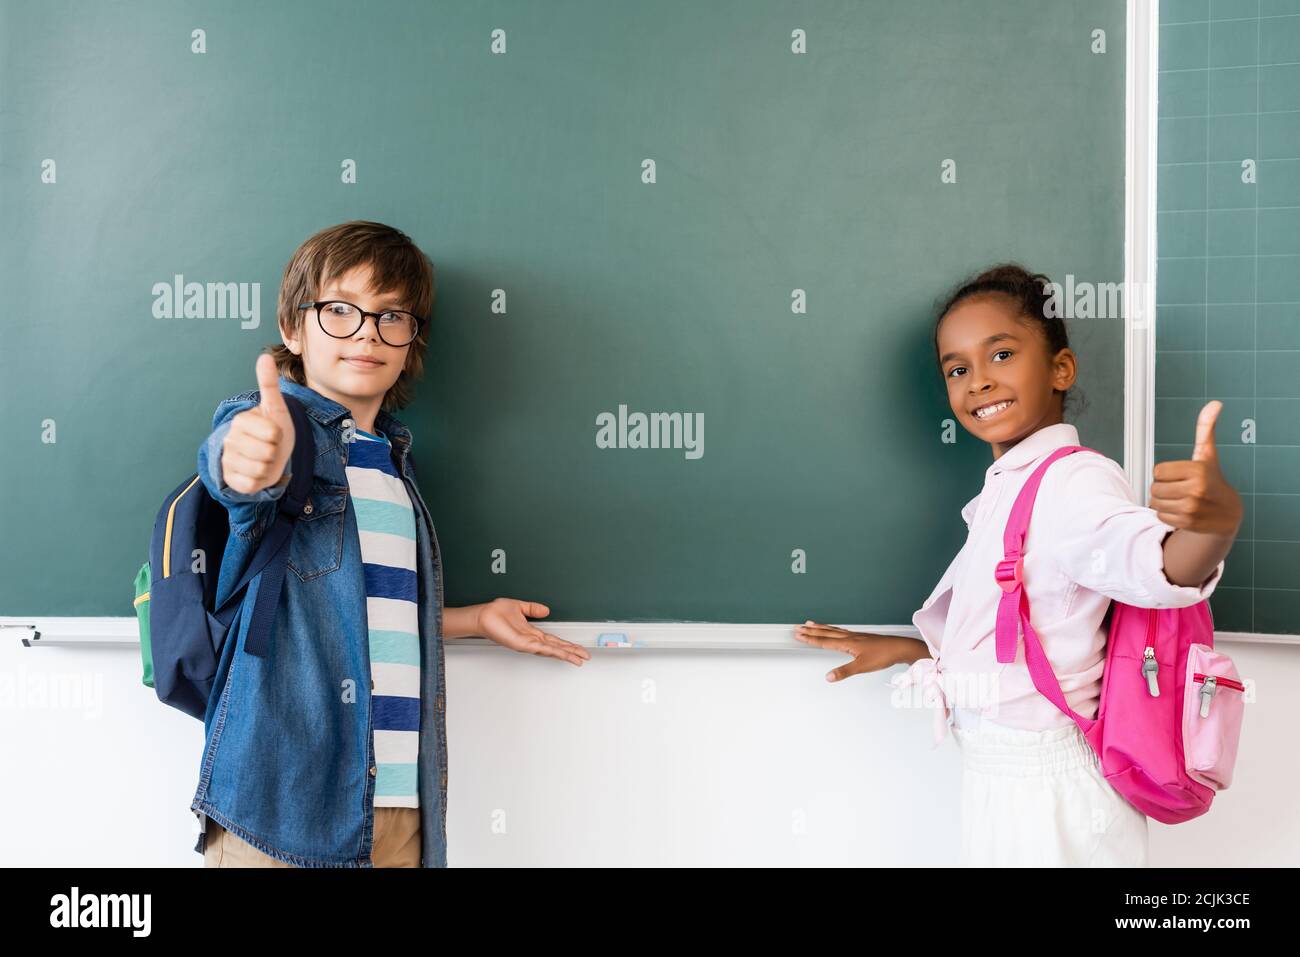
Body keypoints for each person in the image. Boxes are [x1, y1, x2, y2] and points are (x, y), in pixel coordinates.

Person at [795, 263, 1241, 866]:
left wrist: (1212, 526)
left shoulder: (1073, 481)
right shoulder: (1011, 483)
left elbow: (1155, 565)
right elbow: (1024, 641)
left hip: (1050, 792)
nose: (978, 382)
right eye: (958, 369)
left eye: (1001, 354)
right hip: (1005, 782)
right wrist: (912, 652)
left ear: (1061, 368)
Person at [193, 220, 590, 867]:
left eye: (391, 317)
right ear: (293, 328)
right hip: (283, 808)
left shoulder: (393, 462)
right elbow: (235, 469)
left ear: (411, 341)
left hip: (400, 804)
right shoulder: (277, 431)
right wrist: (248, 463)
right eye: (340, 310)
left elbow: (360, 608)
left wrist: (472, 619)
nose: (367, 334)